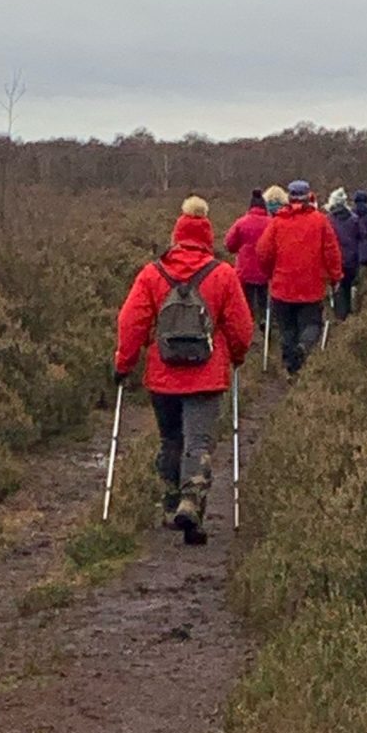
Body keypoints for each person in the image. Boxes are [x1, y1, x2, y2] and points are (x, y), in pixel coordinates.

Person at [114, 196, 254, 543]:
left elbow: (131, 322)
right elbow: (241, 327)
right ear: (208, 236)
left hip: (163, 375)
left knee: (170, 439)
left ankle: (169, 503)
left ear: (177, 235)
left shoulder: (151, 273)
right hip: (206, 375)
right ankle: (192, 502)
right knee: (198, 441)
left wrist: (123, 363)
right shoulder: (222, 274)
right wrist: (236, 356)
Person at [257, 179, 342, 375]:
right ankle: (303, 348)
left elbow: (262, 252)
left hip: (282, 287)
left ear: (289, 197)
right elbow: (331, 252)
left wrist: (270, 273)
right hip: (311, 288)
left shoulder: (277, 222)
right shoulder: (320, 221)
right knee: (312, 325)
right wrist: (335, 277)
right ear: (308, 197)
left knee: (287, 329)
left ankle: (290, 368)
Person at [225, 186, 276, 325]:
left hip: (245, 269)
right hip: (265, 269)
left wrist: (238, 249)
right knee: (263, 297)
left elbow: (229, 244)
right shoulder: (272, 223)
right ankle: (265, 320)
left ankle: (247, 323)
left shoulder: (241, 222)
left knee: (246, 300)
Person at [325, 188, 360, 320]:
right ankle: (350, 312)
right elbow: (360, 237)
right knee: (348, 285)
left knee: (337, 287)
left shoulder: (327, 220)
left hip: (335, 260)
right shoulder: (354, 219)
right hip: (352, 259)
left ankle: (341, 316)